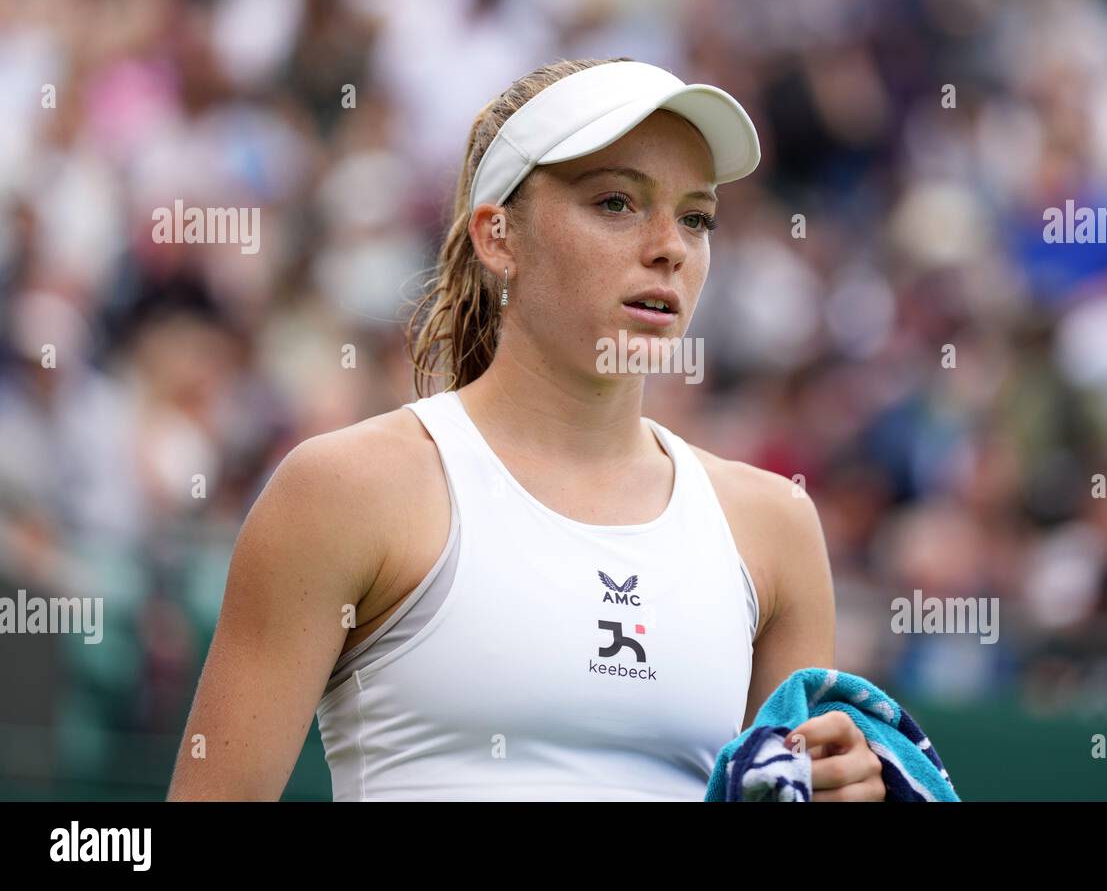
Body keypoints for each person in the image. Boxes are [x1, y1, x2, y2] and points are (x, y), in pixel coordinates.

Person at [167, 57, 885, 801]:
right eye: (616, 202)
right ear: (498, 237)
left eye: (696, 217)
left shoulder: (778, 528)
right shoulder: (345, 489)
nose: (671, 245)